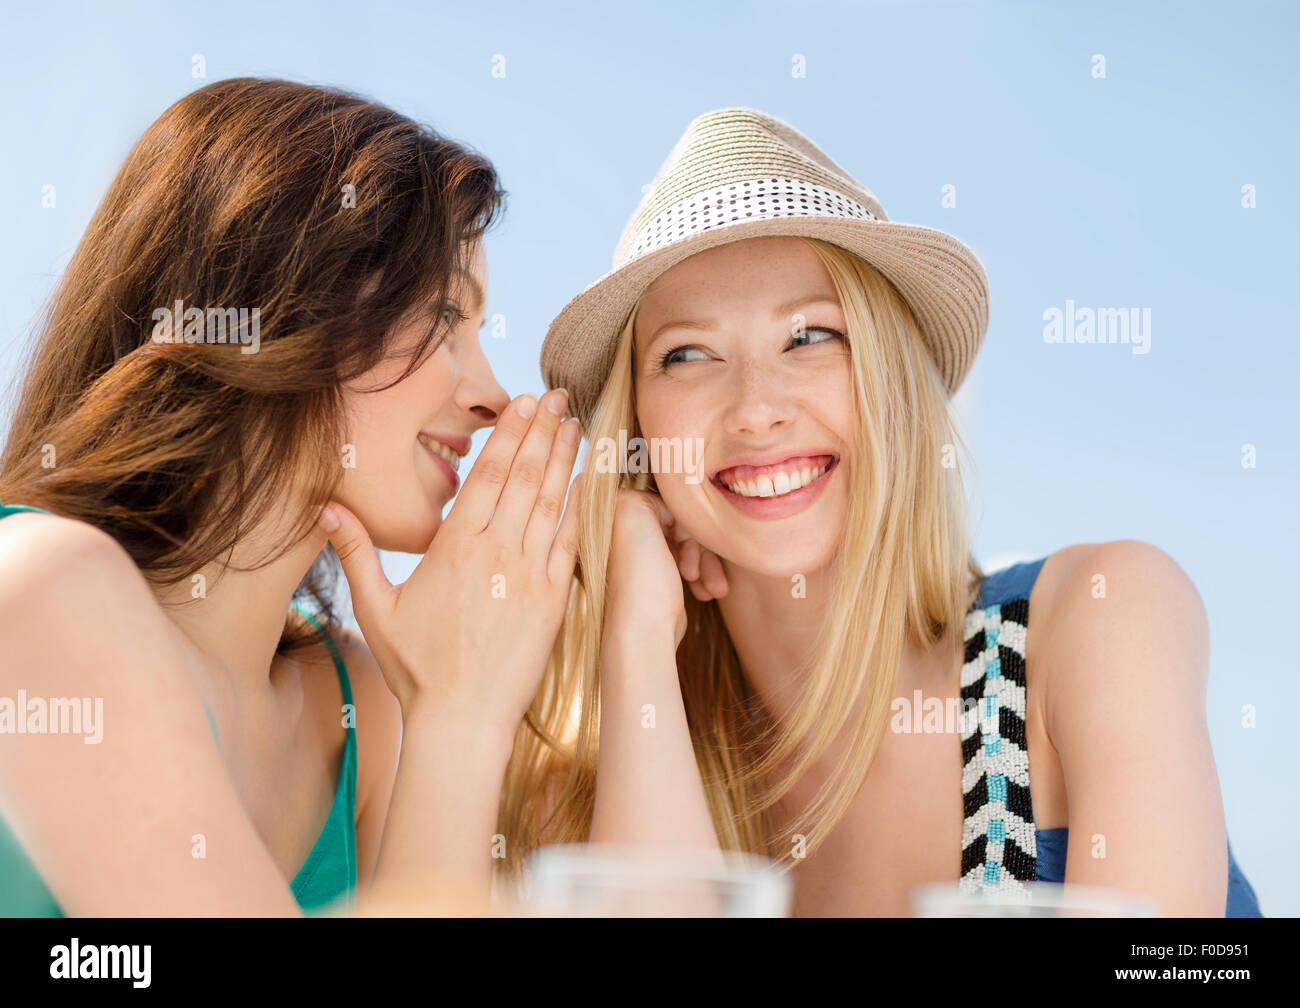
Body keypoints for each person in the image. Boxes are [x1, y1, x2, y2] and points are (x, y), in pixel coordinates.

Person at [511, 107, 1263, 917]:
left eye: (811, 338)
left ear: (893, 378)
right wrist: (637, 639)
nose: (756, 410)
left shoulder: (1097, 621)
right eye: (687, 355)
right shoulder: (599, 784)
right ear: (641, 436)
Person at [0, 77, 581, 916]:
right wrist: (460, 720)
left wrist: (461, 711)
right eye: (443, 315)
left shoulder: (361, 708)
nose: (493, 396)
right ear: (273, 303)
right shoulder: (43, 585)